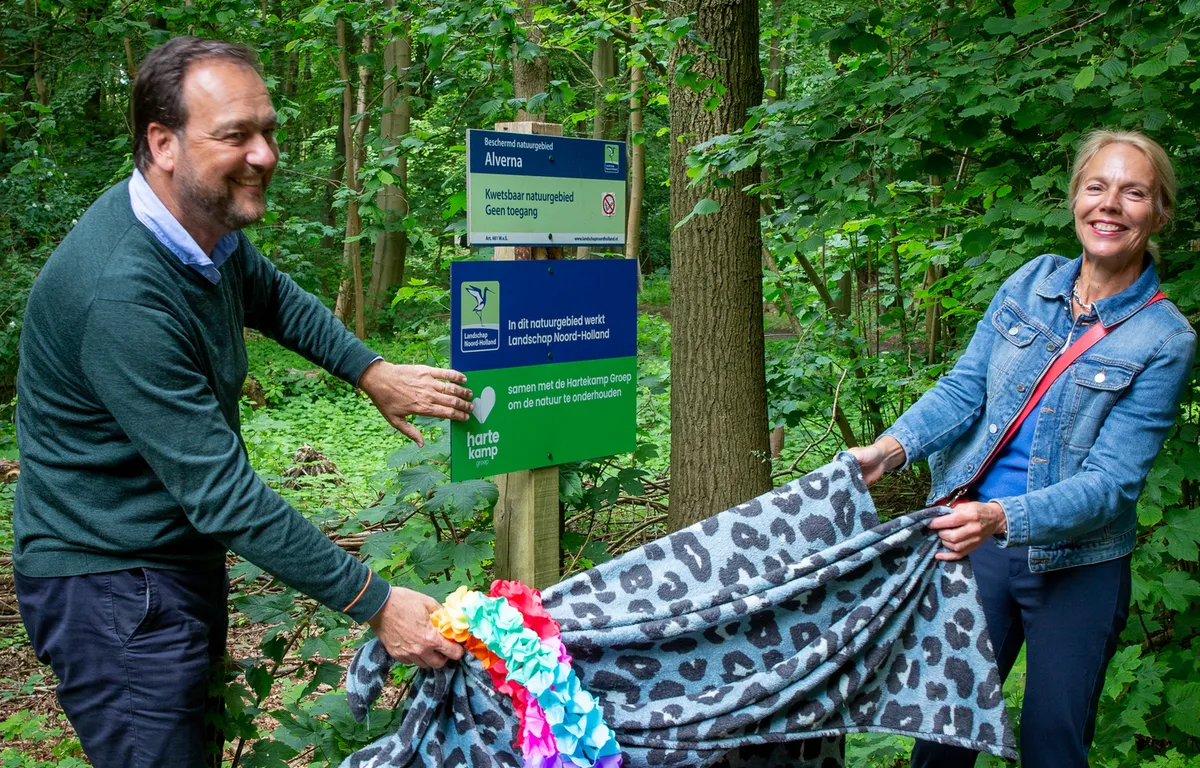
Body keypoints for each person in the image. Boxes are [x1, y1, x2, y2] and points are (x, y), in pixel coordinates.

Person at [12, 37, 466, 768]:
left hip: (172, 556)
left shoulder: (199, 232)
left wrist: (369, 369)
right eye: (235, 136)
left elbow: (271, 295)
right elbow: (222, 495)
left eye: (269, 130)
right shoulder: (122, 294)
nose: (265, 154)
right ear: (162, 143)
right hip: (110, 585)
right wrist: (378, 602)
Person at [850, 129, 1195, 767]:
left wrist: (1001, 517)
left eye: (1134, 193)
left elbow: (1111, 484)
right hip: (975, 550)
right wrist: (889, 449)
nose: (1110, 205)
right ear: (1075, 199)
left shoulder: (1164, 338)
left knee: (1051, 744)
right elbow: (965, 390)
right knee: (943, 737)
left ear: (1160, 213)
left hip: (1078, 563)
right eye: (1097, 187)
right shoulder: (1030, 282)